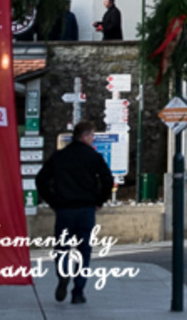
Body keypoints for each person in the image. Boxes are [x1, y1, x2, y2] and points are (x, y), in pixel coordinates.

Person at [38, 120, 115, 305]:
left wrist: (53, 201)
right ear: (84, 136)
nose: (93, 139)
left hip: (64, 210)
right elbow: (107, 180)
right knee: (84, 251)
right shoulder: (94, 157)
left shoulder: (60, 156)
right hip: (86, 210)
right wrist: (99, 201)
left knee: (62, 248)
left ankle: (63, 273)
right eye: (92, 136)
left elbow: (41, 179)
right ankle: (78, 292)